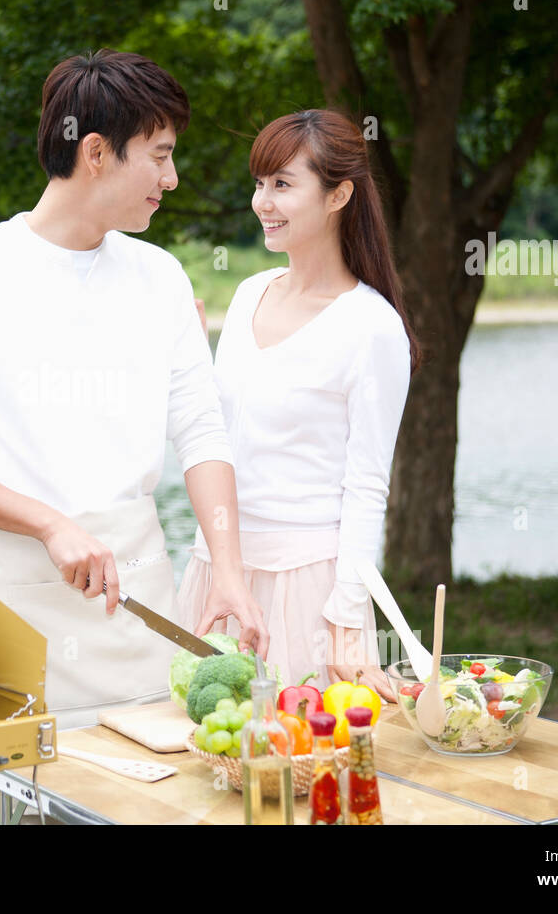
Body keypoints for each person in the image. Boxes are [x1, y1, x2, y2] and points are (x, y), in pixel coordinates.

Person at [0, 49, 268, 729]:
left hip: (139, 602)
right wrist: (50, 524)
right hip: (17, 601)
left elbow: (203, 432)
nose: (172, 179)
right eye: (159, 155)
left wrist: (230, 571)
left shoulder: (161, 278)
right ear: (96, 151)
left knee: (158, 790)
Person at [177, 109, 422, 704]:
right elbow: (218, 435)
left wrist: (344, 617)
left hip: (306, 587)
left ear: (339, 194)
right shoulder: (247, 294)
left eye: (283, 184)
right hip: (218, 569)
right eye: (260, 183)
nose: (263, 201)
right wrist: (183, 362)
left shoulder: (372, 327)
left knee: (302, 771)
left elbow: (367, 486)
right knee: (206, 762)